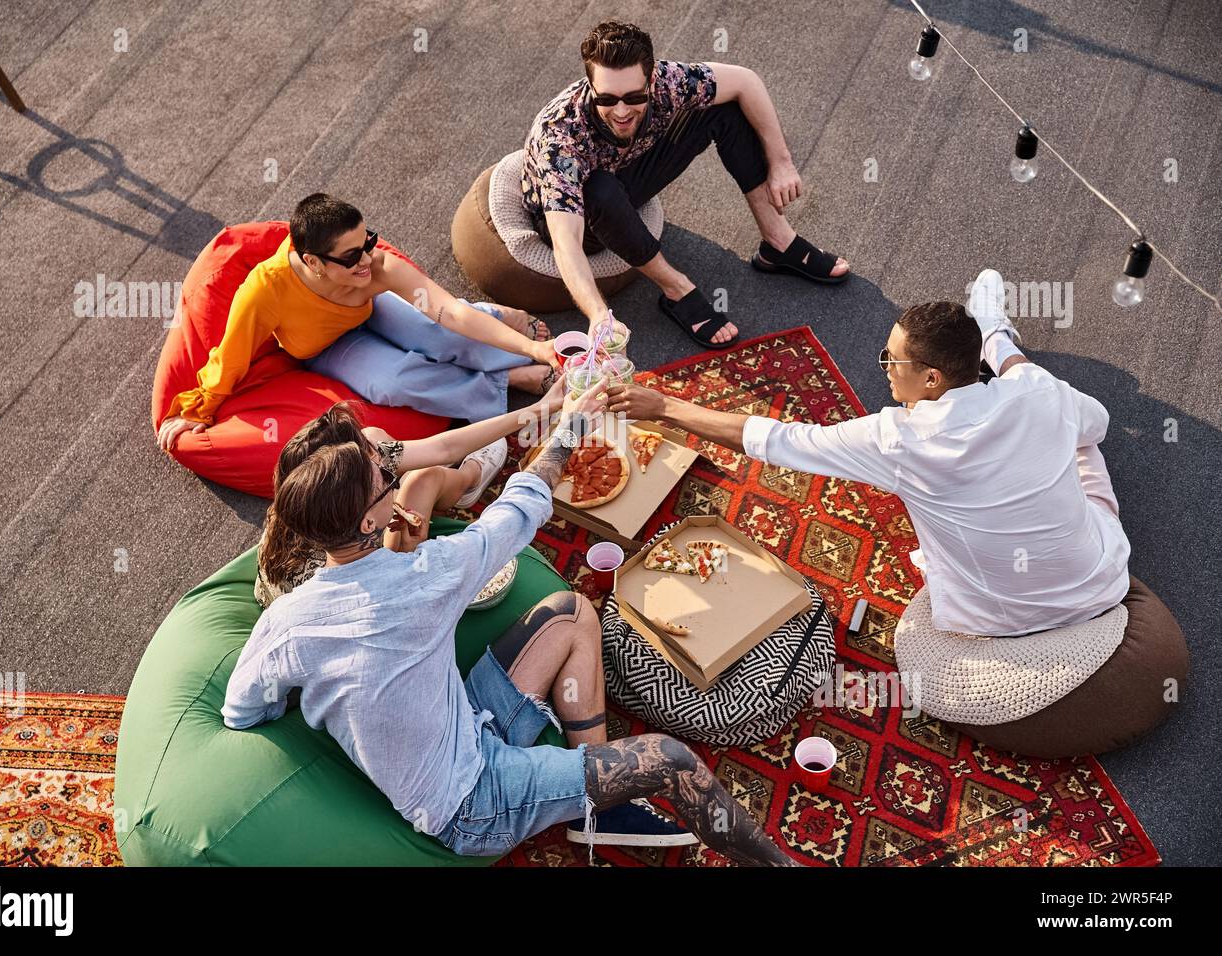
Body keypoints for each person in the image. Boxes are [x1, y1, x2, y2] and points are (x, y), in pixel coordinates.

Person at [223, 384, 796, 865]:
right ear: (372, 517)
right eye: (385, 479)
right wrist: (569, 427)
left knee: (572, 613)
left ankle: (597, 809)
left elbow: (242, 709)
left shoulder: (285, 622)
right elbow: (521, 506)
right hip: (471, 804)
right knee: (668, 760)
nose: (396, 475)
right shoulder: (427, 577)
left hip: (464, 722)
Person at [605, 269, 1131, 638]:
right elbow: (1098, 426)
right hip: (1099, 582)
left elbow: (775, 440)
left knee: (1064, 431)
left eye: (891, 359)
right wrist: (1032, 393)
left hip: (993, 616)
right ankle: (995, 337)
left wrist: (665, 407)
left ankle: (992, 330)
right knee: (1072, 435)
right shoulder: (1040, 392)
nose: (883, 366)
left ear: (930, 377)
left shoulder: (896, 438)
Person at [522, 19, 850, 351]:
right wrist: (597, 315)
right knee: (601, 189)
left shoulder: (669, 81)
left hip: (627, 172)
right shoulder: (560, 140)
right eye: (606, 99)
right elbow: (567, 244)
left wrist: (781, 163)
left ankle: (778, 242)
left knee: (725, 110)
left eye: (633, 96)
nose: (620, 111)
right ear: (590, 86)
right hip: (579, 211)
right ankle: (676, 290)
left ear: (651, 80)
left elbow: (745, 81)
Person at [158, 193, 559, 452]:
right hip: (327, 347)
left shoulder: (373, 268)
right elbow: (230, 355)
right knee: (392, 383)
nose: (366, 259)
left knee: (439, 333)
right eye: (350, 256)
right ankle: (507, 380)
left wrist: (533, 348)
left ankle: (501, 323)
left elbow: (449, 312)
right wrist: (198, 410)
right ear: (312, 261)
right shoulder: (264, 290)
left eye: (367, 242)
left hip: (372, 306)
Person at [255, 374, 572, 607]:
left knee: (382, 440)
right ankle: (467, 479)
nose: (379, 459)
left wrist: (540, 408)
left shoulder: (308, 497)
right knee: (421, 480)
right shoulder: (341, 565)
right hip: (368, 592)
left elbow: (445, 446)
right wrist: (409, 551)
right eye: (373, 468)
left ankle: (464, 481)